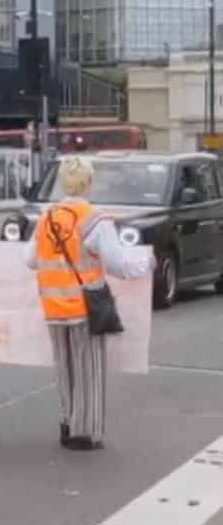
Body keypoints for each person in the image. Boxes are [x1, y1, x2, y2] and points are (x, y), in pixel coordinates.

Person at [32, 156, 154, 450]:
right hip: (85, 305)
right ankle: (83, 433)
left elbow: (30, 259)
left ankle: (66, 423)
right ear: (88, 182)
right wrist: (146, 263)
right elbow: (118, 264)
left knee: (64, 368)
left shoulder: (47, 217)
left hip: (53, 306)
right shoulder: (94, 220)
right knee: (89, 368)